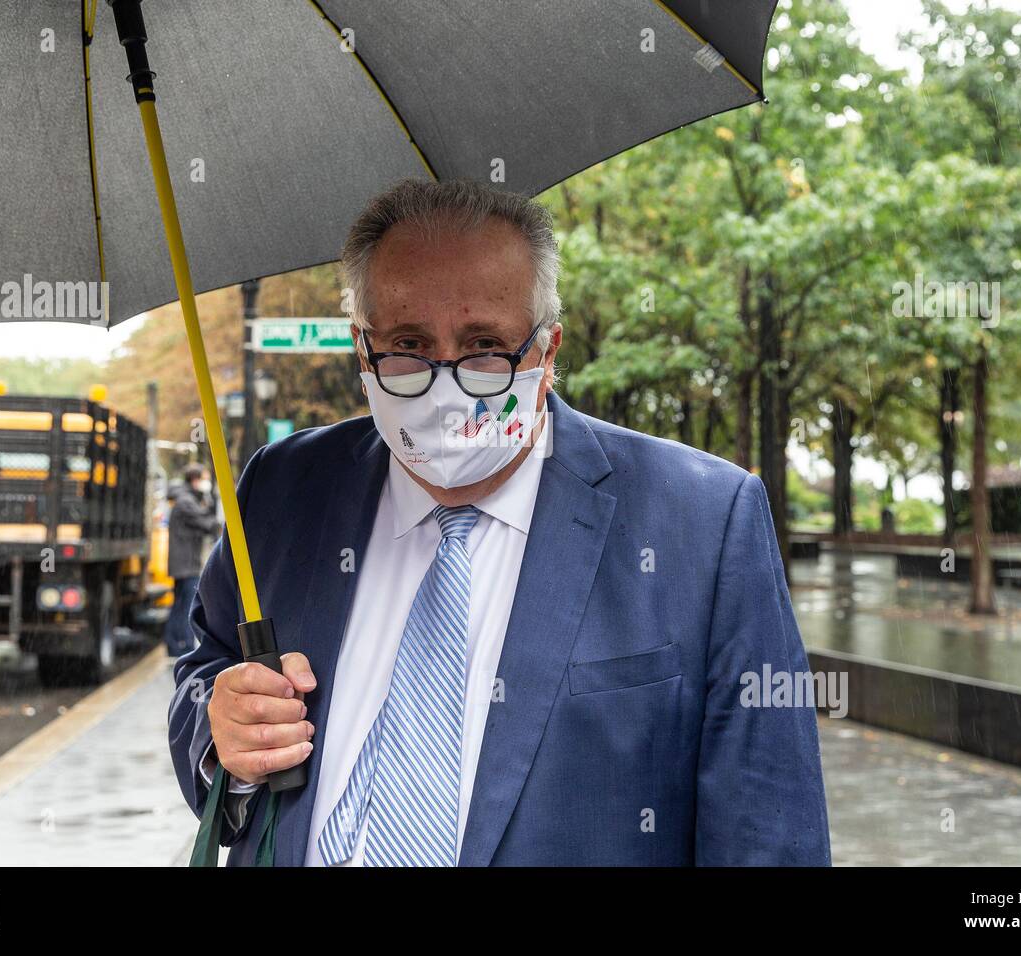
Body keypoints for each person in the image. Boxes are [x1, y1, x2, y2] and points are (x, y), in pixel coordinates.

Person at [168, 179, 830, 866]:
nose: (446, 382)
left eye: (485, 345)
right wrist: (223, 738)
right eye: (408, 344)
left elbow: (768, 835)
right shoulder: (283, 492)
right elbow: (204, 669)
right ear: (363, 352)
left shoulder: (702, 521)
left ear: (546, 352)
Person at [162, 465, 219, 658]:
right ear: (194, 479)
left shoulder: (184, 499)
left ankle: (173, 644)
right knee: (186, 607)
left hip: (184, 563)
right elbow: (207, 523)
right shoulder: (186, 501)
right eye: (203, 478)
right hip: (186, 564)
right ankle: (183, 647)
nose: (205, 483)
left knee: (179, 605)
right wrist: (213, 501)